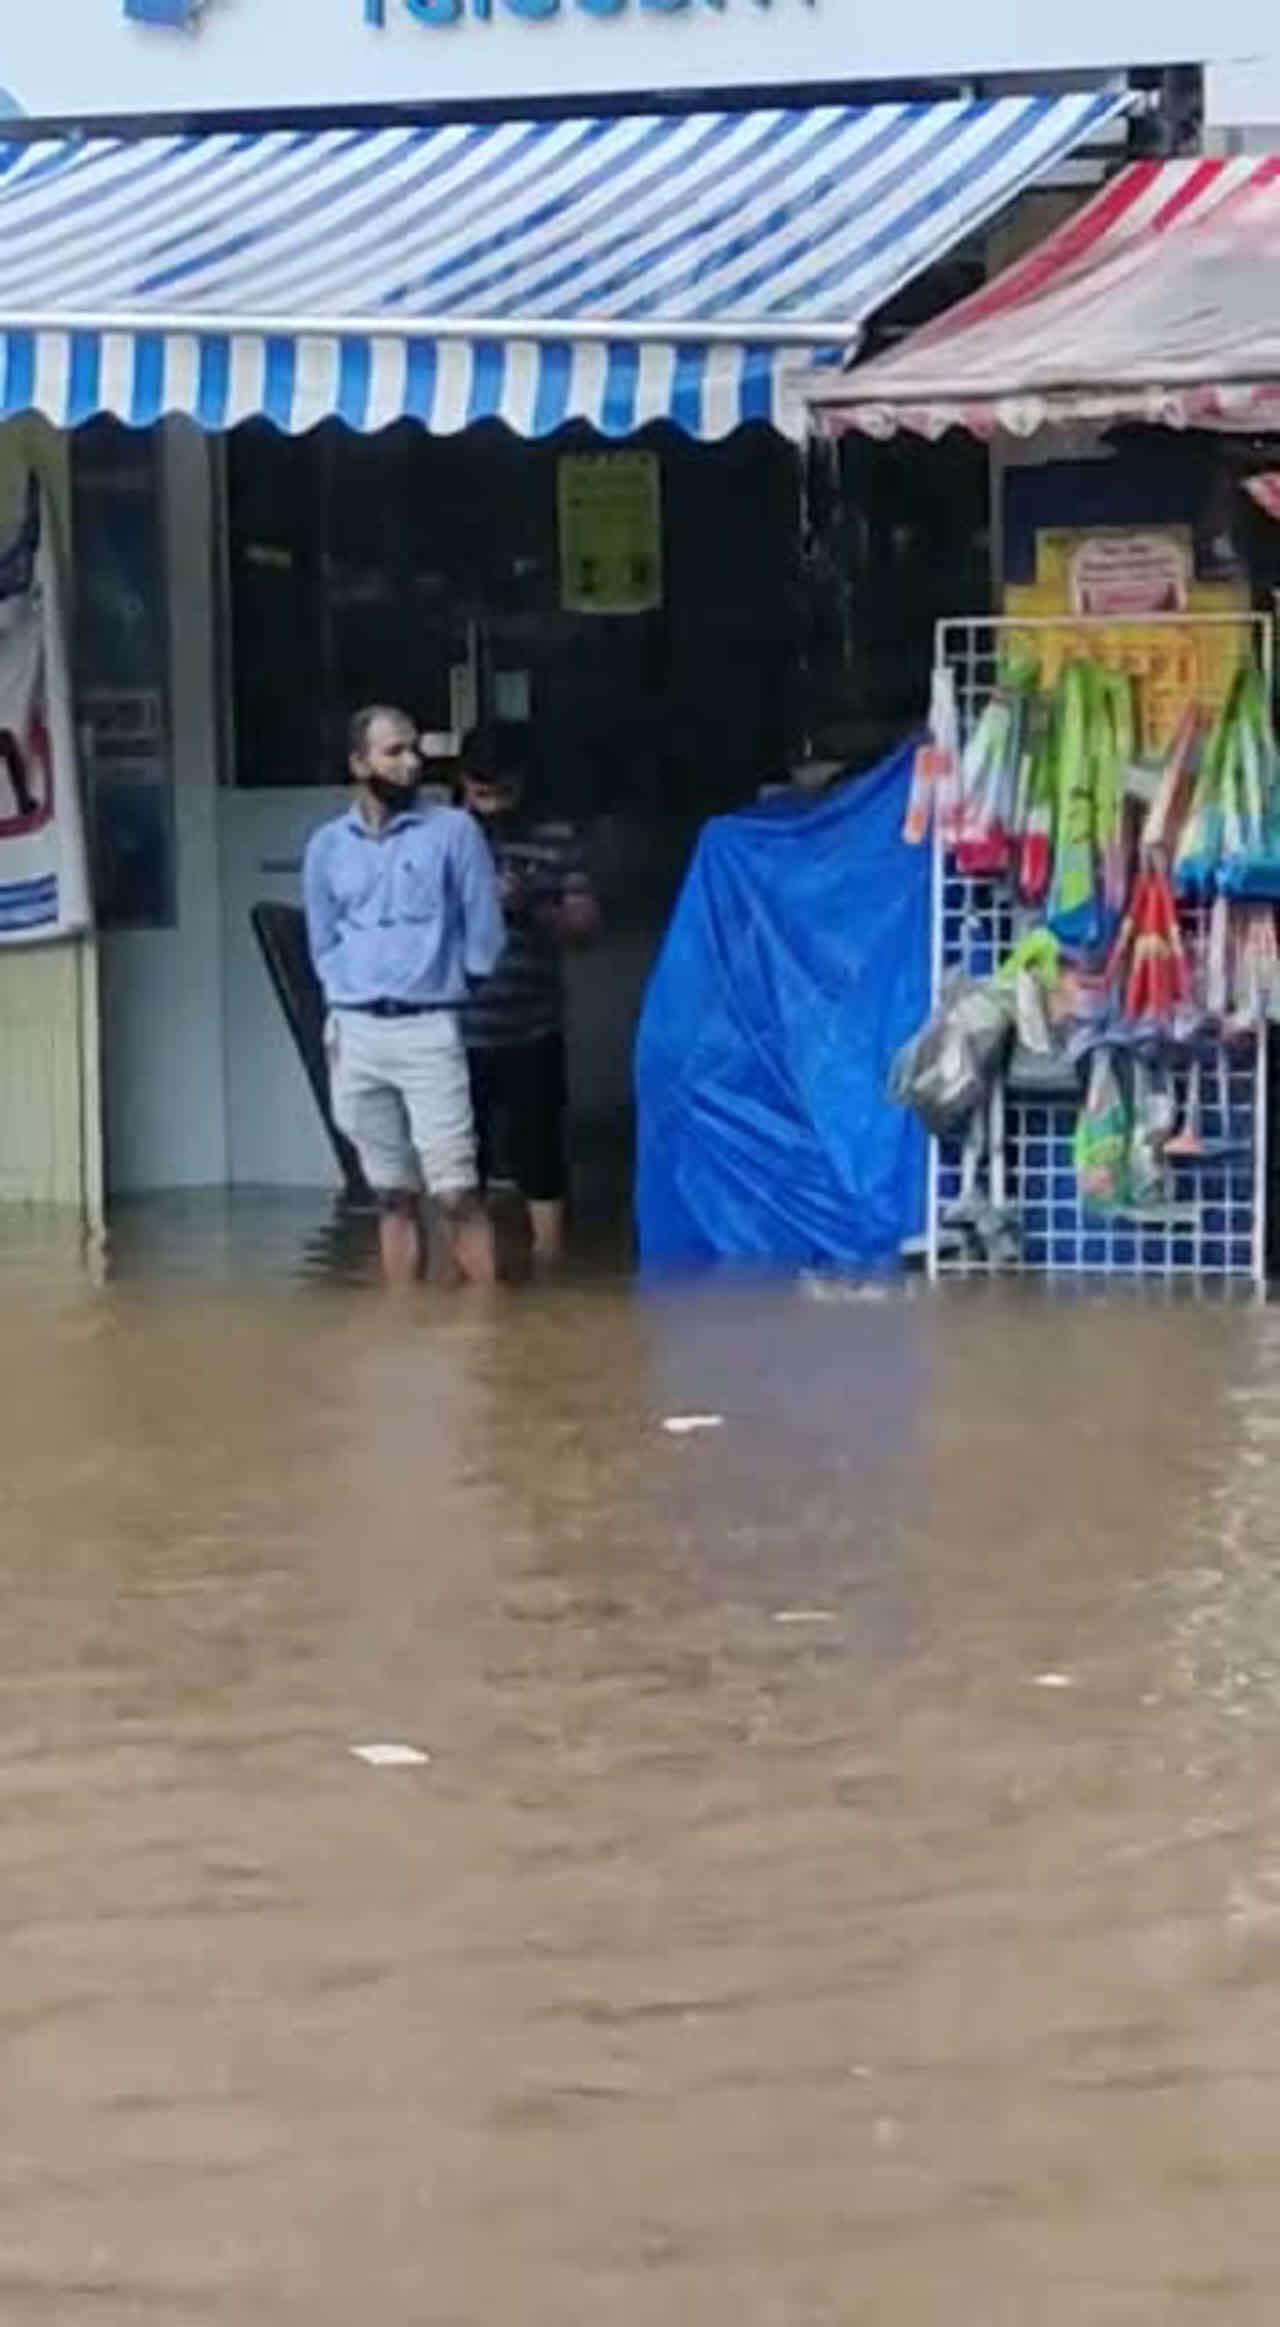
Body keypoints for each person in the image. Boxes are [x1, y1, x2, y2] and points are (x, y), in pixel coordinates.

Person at [303, 704, 504, 1287]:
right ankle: (401, 1326)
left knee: (457, 1192)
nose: (410, 762)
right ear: (358, 762)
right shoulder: (326, 847)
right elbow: (323, 939)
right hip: (356, 1032)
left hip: (428, 1028)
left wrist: (454, 988)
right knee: (390, 1194)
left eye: (414, 749)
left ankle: (487, 1331)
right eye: (394, 751)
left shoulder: (454, 831)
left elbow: (483, 931)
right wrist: (347, 994)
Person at [459, 724, 599, 1265]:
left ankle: (549, 1267)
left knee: (539, 1153)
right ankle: (466, 1273)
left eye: (503, 792)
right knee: (455, 1162)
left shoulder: (555, 838)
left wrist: (530, 907)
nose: (492, 805)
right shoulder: (440, 835)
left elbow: (586, 928)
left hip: (531, 1022)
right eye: (480, 791)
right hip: (454, 1027)